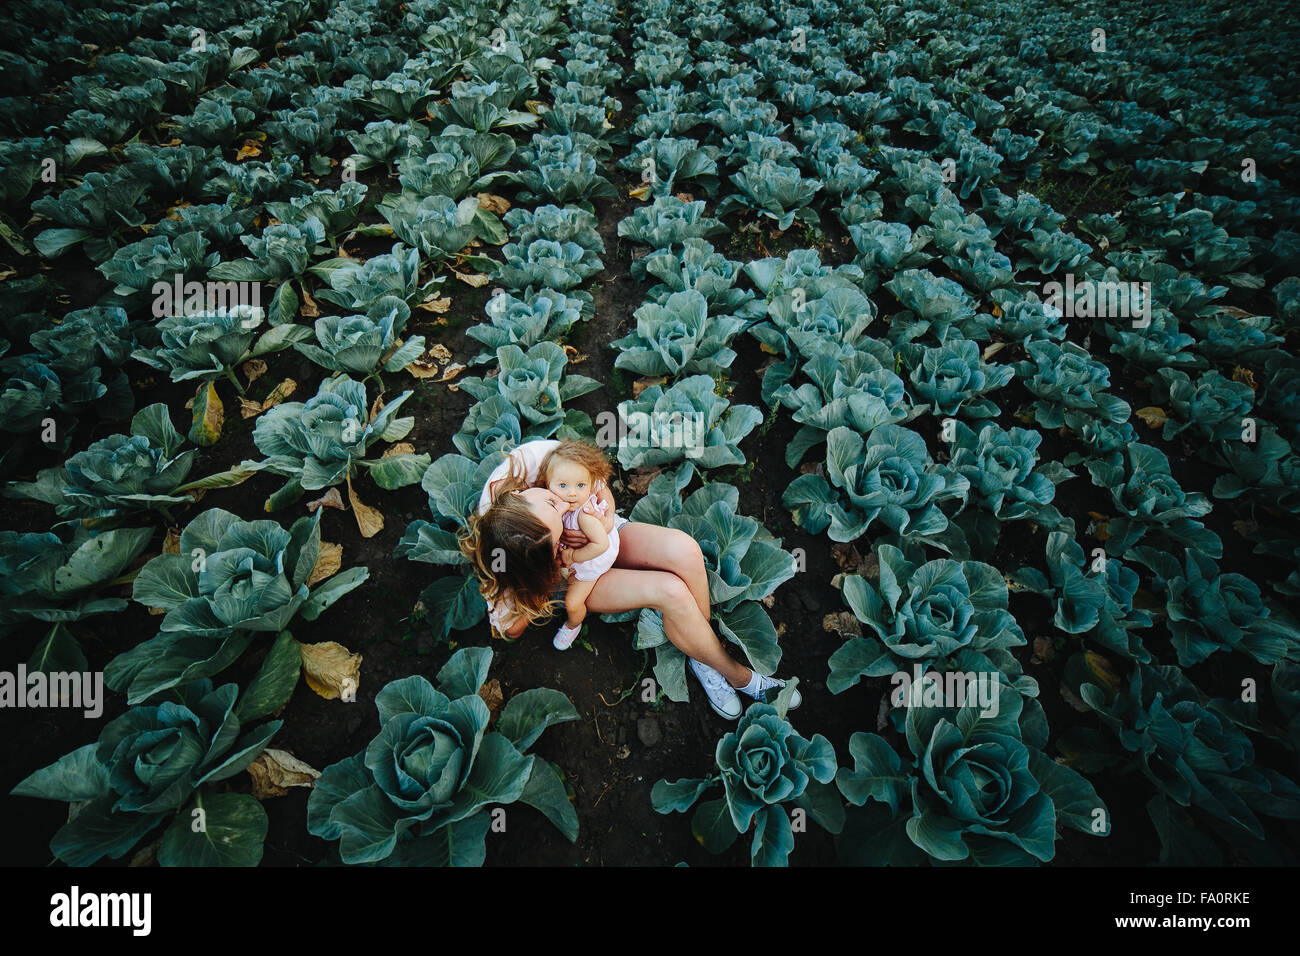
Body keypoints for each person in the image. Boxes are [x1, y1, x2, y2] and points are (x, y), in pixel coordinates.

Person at [459, 438, 801, 719]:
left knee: (685, 550)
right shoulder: (502, 566)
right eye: (558, 523)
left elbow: (594, 477)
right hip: (578, 575)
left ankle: (702, 654)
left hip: (605, 535)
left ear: (519, 494)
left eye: (553, 501)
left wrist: (603, 525)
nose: (564, 508)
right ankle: (737, 675)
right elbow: (509, 630)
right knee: (671, 591)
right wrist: (539, 585)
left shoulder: (529, 461)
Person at [540, 440, 619, 651]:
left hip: (594, 556)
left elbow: (600, 544)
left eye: (580, 486)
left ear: (591, 484)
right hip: (588, 546)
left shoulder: (584, 516)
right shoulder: (556, 503)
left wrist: (573, 556)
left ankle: (573, 624)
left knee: (572, 602)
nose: (572, 493)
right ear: (548, 484)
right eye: (563, 485)